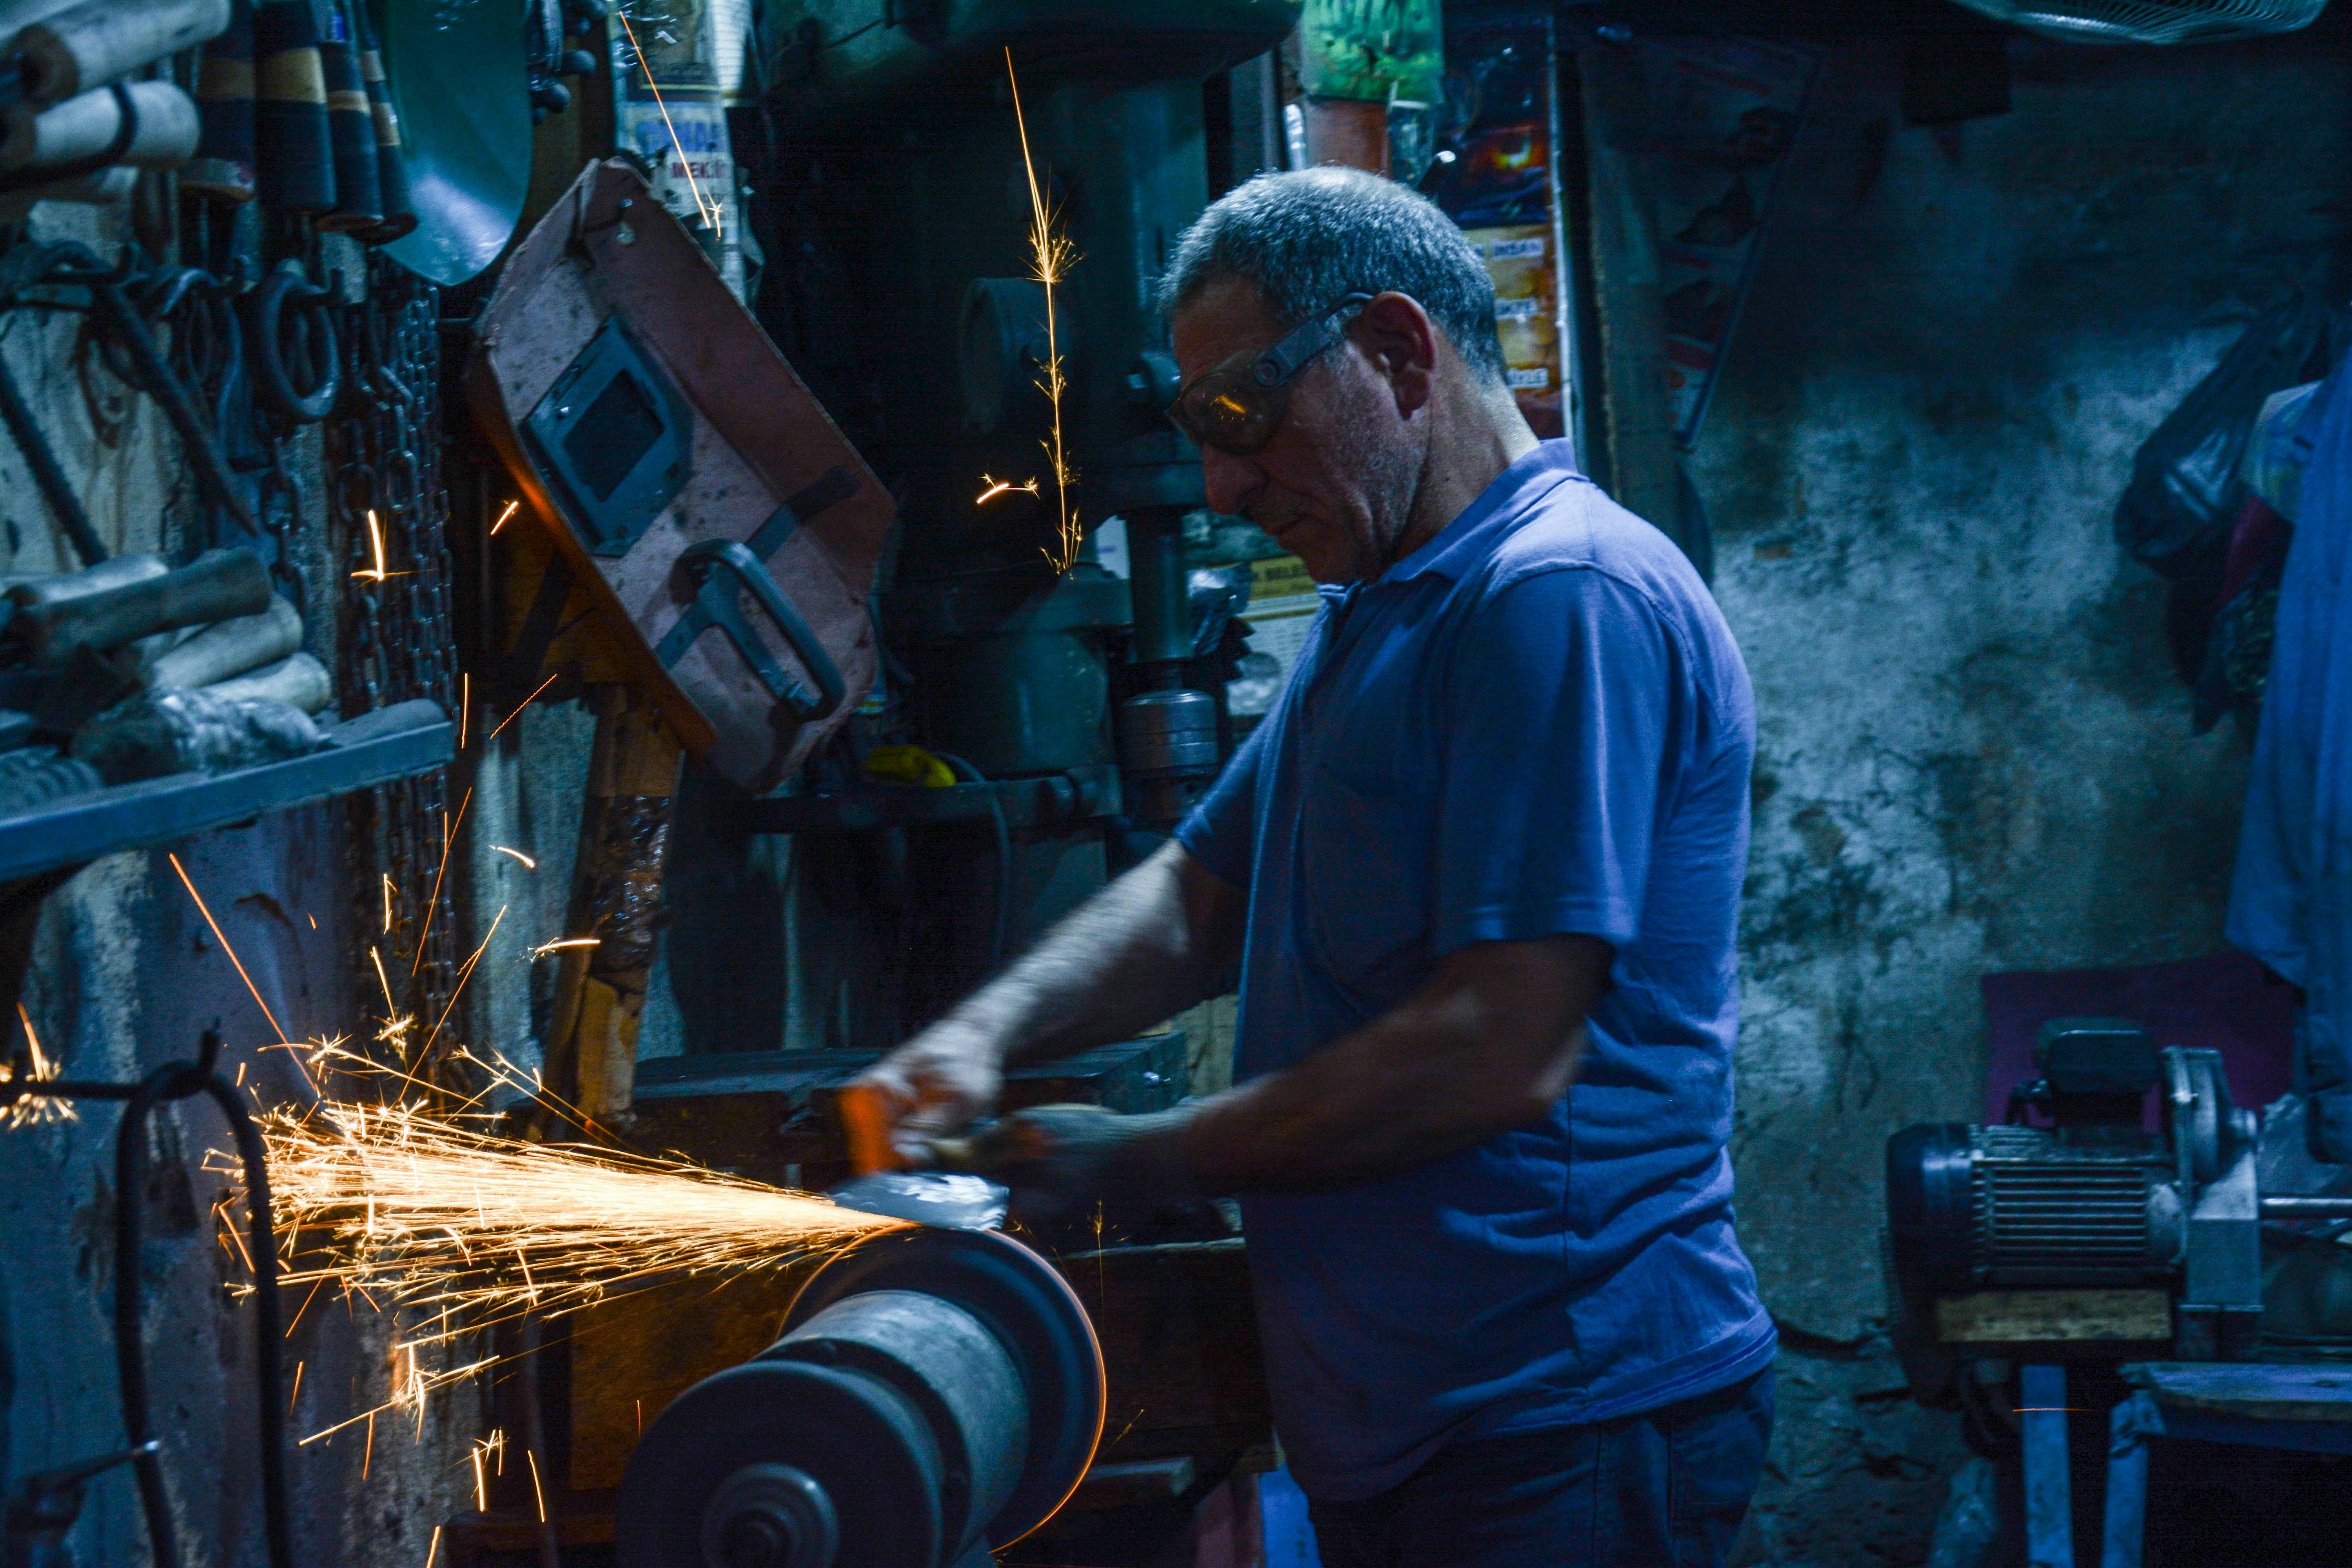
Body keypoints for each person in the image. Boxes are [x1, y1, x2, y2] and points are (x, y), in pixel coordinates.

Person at [847, 166, 1774, 1567]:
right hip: (1421, 1422)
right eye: (1197, 429)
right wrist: (977, 1039)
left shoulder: (1557, 597)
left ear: (1396, 353)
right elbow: (1198, 895)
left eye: (1244, 417)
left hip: (1555, 1420)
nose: (1223, 485)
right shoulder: (1386, 606)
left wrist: (1138, 1153)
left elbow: (1496, 1048)